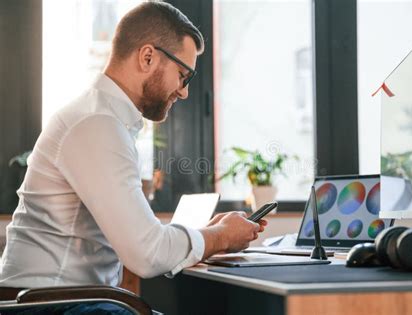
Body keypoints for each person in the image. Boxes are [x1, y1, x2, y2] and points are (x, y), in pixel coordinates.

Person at [0, 0, 266, 295]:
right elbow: (147, 253)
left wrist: (210, 233)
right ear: (148, 57)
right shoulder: (96, 125)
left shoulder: (101, 119)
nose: (185, 91)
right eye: (183, 75)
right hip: (52, 304)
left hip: (61, 298)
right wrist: (220, 237)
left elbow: (143, 240)